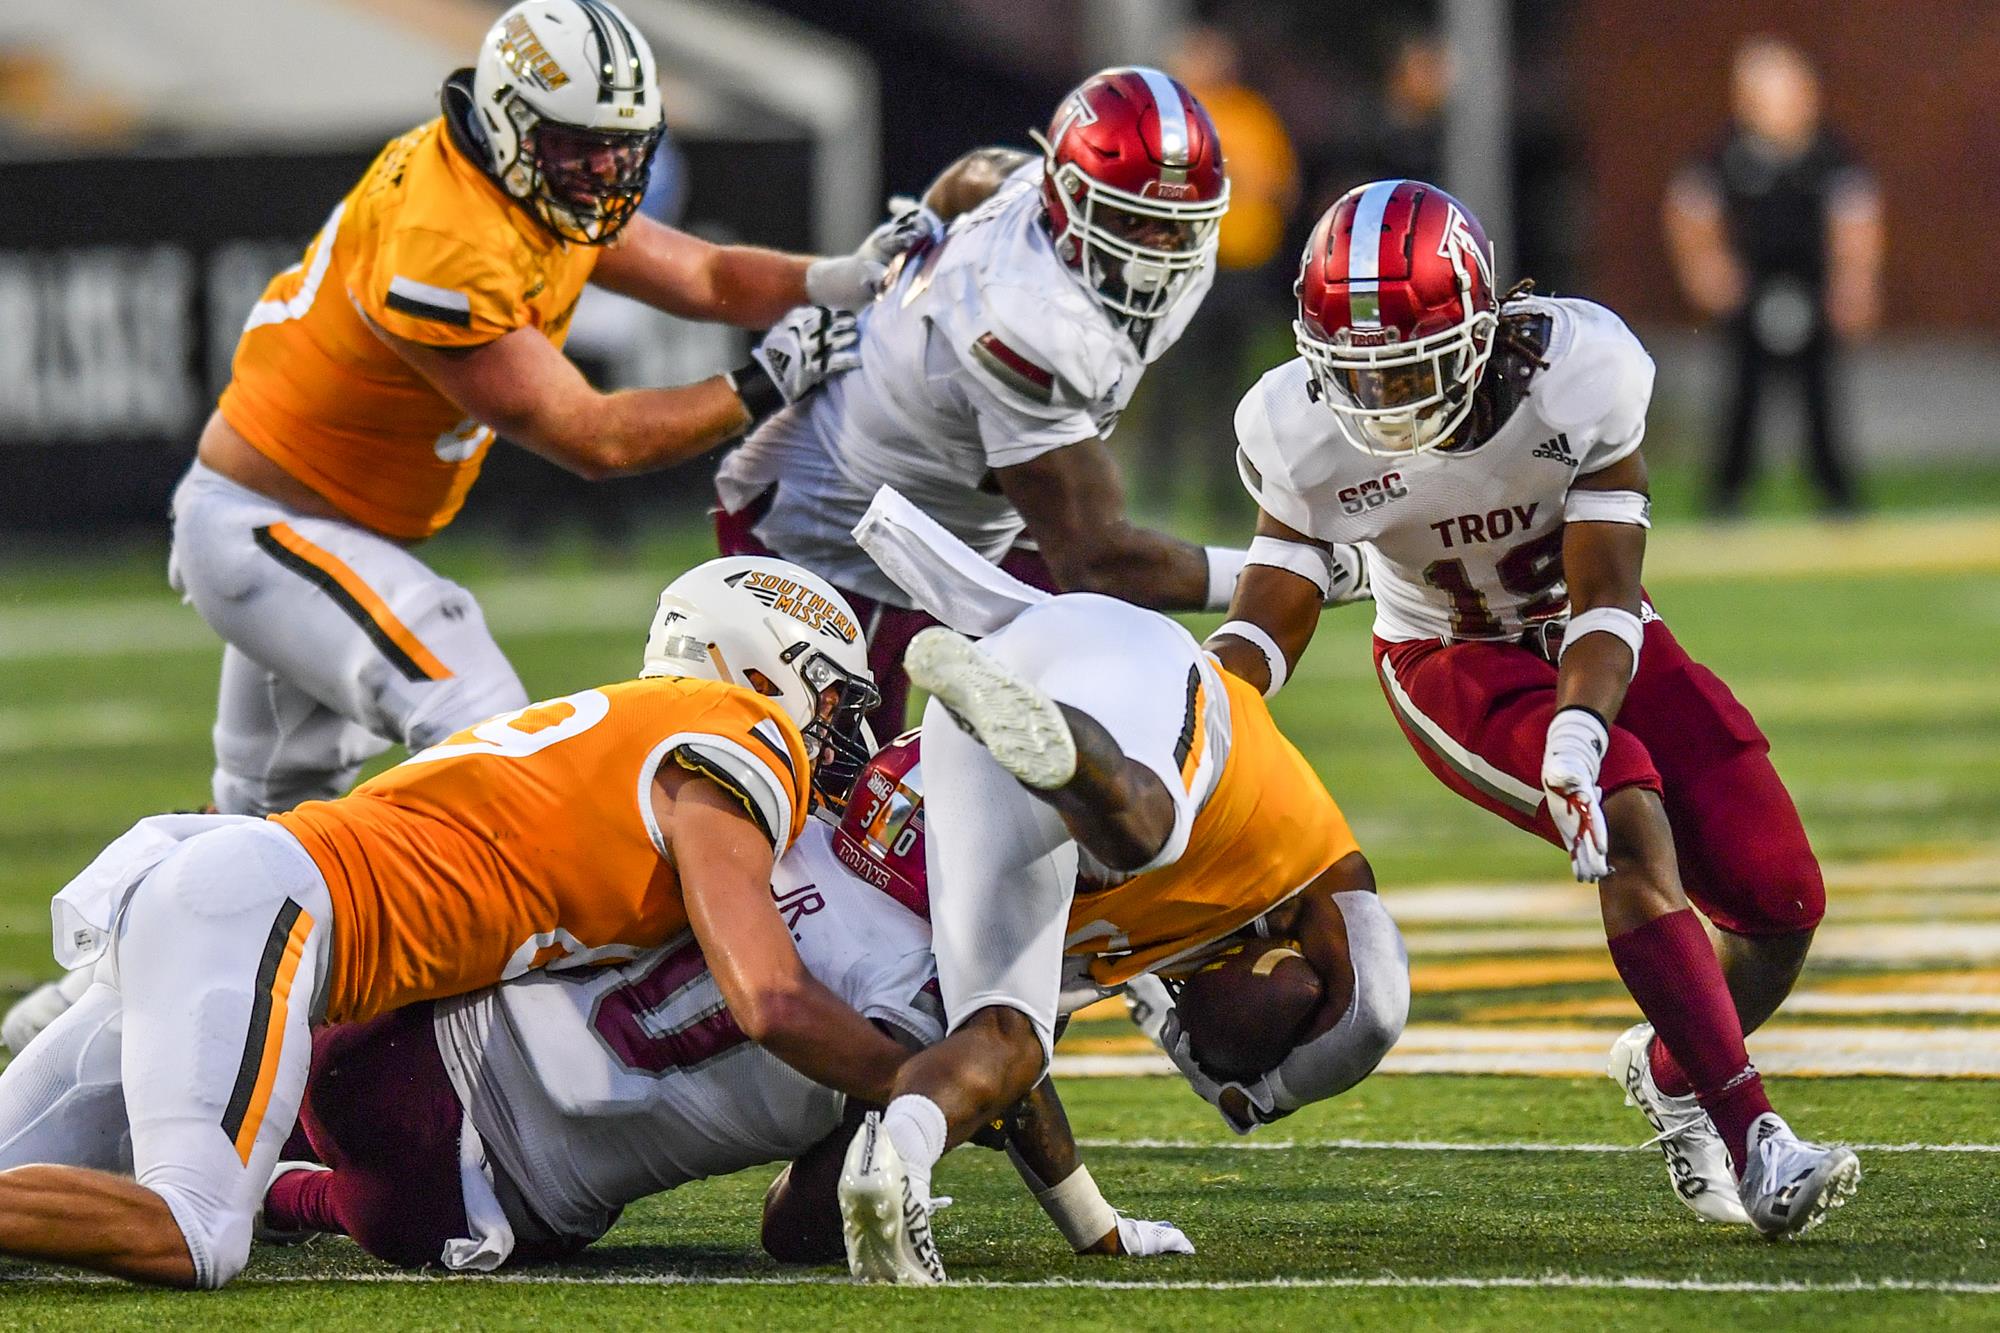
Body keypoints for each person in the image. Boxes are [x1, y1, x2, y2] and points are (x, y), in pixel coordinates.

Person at [1206, 178, 1859, 1238]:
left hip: (1593, 632)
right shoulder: (1297, 429)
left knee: (1779, 900)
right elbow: (1271, 605)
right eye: (1355, 376)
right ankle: (1756, 1139)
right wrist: (1201, 694)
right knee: (1627, 807)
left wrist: (1576, 719)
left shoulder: (1576, 374)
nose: (1383, 405)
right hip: (1448, 659)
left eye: (1409, 368)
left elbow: (1606, 593)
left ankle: (1670, 1070)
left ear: (1480, 327)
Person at [0, 556, 905, 1288]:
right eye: (830, 701)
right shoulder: (743, 733)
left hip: (228, 891)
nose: (837, 739)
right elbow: (768, 996)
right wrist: (922, 1088)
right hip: (265, 913)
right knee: (194, 1233)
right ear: (760, 664)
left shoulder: (635, 724)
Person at [177, 0, 907, 819]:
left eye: (615, 151)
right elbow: (596, 438)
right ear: (506, 121)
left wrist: (835, 277)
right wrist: (764, 382)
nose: (600, 173)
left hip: (314, 523)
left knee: (262, 813)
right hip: (268, 523)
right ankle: (503, 934)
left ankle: (145, 935)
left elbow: (704, 277)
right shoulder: (446, 239)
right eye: (575, 148)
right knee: (475, 707)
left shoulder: (522, 183)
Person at [828, 580, 1407, 1284]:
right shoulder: (1306, 866)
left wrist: (1094, 1225)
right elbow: (1371, 1007)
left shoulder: (1155, 944)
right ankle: (1067, 749)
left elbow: (1017, 1062)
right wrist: (1250, 1096)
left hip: (947, 780)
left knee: (999, 1039)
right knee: (1148, 837)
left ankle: (895, 1162)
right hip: (1124, 683)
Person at [715, 67, 1255, 735]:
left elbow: (981, 171)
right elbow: (1097, 557)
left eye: (1176, 227)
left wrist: (925, 219)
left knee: (1111, 698)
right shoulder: (1020, 316)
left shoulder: (1047, 197)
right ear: (1069, 202)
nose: (1159, 252)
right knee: (821, 798)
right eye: (1132, 224)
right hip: (835, 530)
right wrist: (1288, 572)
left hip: (965, 517)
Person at [1663, 37, 1883, 516]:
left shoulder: (1832, 156)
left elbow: (1857, 216)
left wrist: (1854, 282)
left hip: (1812, 288)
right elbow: (1691, 207)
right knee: (1741, 396)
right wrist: (1707, 268)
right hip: (1750, 291)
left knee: (1821, 397)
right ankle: (1727, 497)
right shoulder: (1725, 155)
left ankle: (1838, 496)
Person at [1144, 26, 1301, 513]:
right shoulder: (1170, 121)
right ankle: (1156, 486)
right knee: (1173, 379)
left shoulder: (1253, 116)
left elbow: (1283, 185)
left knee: (1234, 390)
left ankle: (1228, 493)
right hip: (1187, 265)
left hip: (1242, 271)